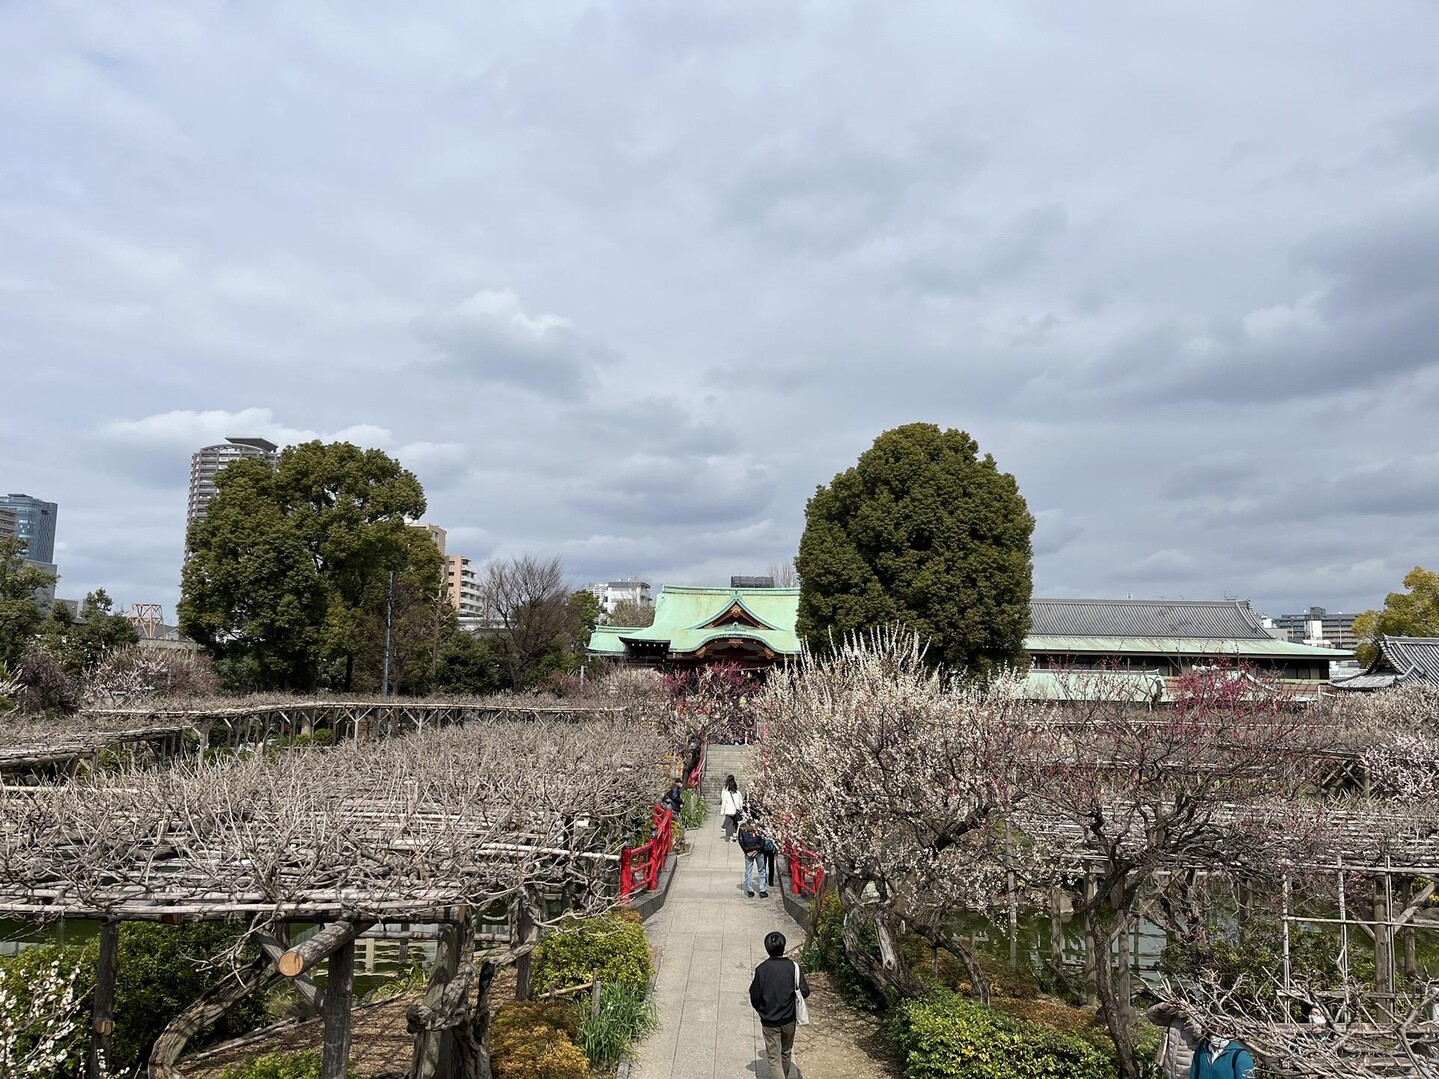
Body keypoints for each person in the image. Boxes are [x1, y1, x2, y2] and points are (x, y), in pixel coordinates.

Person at [749, 931, 809, 1079]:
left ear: (767, 948)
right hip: (789, 1020)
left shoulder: (762, 969)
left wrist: (762, 1009)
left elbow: (755, 995)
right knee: (786, 1053)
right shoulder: (794, 967)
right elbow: (805, 991)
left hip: (770, 1021)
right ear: (783, 946)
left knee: (774, 1059)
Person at [1145, 999, 1201, 1079]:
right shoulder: (1174, 1017)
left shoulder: (1198, 1018)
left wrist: (1190, 1014)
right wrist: (1164, 1006)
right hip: (1170, 1070)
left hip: (1188, 1071)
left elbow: (1198, 1034)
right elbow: (1152, 1016)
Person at [1190, 1029, 1255, 1079]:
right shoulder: (1202, 1049)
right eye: (1213, 1030)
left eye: (1221, 1032)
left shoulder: (1240, 1055)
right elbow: (1193, 1075)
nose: (1215, 1035)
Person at [738, 819, 768, 897]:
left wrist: (746, 851)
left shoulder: (743, 827)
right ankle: (762, 890)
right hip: (758, 851)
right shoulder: (760, 826)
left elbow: (741, 840)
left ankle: (750, 890)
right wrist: (758, 850)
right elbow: (763, 840)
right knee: (761, 870)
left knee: (748, 871)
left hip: (749, 851)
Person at [720, 775, 744, 842]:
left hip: (728, 811)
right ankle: (734, 835)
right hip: (735, 811)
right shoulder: (738, 793)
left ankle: (729, 837)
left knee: (729, 825)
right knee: (735, 823)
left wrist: (722, 811)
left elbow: (724, 803)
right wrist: (740, 808)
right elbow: (741, 802)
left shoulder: (727, 794)